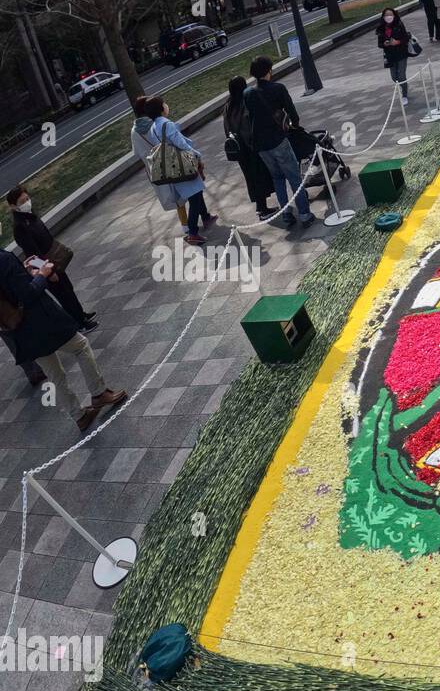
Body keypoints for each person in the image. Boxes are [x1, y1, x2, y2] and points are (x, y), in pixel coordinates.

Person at [0, 240, 126, 432]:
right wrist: (41, 274)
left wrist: (24, 272)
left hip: (21, 333)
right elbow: (28, 294)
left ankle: (79, 415)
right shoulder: (4, 258)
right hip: (41, 322)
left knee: (54, 374)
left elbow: (11, 291)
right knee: (81, 346)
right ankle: (99, 393)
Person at [7, 185, 96, 333]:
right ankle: (79, 323)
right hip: (47, 267)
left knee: (68, 289)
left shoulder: (30, 216)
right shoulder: (20, 226)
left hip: (54, 261)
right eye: (22, 201)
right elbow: (32, 253)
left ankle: (80, 314)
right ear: (13, 206)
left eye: (27, 199)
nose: (27, 203)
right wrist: (49, 271)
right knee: (64, 295)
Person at [243, 56, 316, 230]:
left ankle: (286, 214)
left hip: (260, 145)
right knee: (294, 177)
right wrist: (294, 125)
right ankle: (305, 214)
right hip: (278, 140)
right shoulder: (278, 88)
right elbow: (292, 112)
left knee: (277, 178)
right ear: (268, 71)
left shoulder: (248, 93)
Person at [138, 97, 215, 246]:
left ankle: (204, 220)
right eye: (164, 104)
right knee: (195, 198)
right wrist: (197, 155)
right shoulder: (167, 125)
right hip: (183, 165)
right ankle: (192, 233)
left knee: (195, 197)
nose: (167, 105)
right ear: (161, 108)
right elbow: (181, 144)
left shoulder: (154, 127)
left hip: (173, 169)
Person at [223, 77, 274, 221]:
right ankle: (262, 209)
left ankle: (261, 207)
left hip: (239, 149)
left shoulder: (228, 105)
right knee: (259, 177)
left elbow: (227, 127)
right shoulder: (244, 102)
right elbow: (250, 124)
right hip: (251, 147)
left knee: (251, 178)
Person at [377, 7, 416, 100]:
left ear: (394, 15)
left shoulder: (399, 25)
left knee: (401, 75)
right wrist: (385, 44)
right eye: (386, 15)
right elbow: (379, 44)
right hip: (390, 55)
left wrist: (397, 42)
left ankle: (405, 94)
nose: (388, 17)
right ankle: (404, 86)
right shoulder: (381, 29)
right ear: (383, 17)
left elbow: (406, 38)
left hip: (401, 53)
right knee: (394, 77)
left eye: (390, 14)